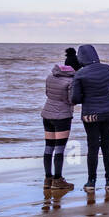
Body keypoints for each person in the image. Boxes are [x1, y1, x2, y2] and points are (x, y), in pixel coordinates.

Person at [70, 44, 109, 192]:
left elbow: (75, 98)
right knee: (107, 146)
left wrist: (87, 96)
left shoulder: (80, 74)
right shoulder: (108, 68)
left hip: (91, 115)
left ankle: (91, 182)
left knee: (93, 147)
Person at [40, 54, 77, 191]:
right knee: (59, 149)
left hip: (47, 114)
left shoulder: (50, 76)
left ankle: (47, 179)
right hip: (62, 117)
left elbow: (47, 93)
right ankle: (58, 180)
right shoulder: (71, 81)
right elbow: (71, 100)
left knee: (48, 147)